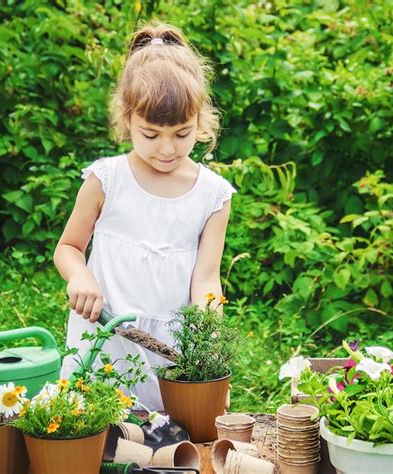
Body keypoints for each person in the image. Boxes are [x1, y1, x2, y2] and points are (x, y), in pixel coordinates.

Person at [54, 22, 236, 410]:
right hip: (105, 335)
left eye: (182, 133)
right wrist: (80, 276)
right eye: (151, 135)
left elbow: (206, 278)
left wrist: (209, 339)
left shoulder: (213, 195)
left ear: (200, 120)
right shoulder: (107, 179)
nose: (167, 149)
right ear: (127, 117)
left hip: (171, 345)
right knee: (96, 432)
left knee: (169, 441)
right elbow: (69, 247)